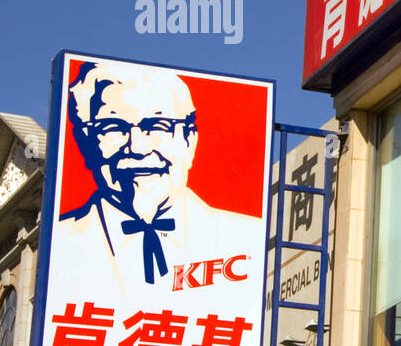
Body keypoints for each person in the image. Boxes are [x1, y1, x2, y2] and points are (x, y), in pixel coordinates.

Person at [56, 62, 263, 293]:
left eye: (157, 126)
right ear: (86, 142)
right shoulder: (60, 244)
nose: (138, 147)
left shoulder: (244, 241)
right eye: (113, 127)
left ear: (189, 142)